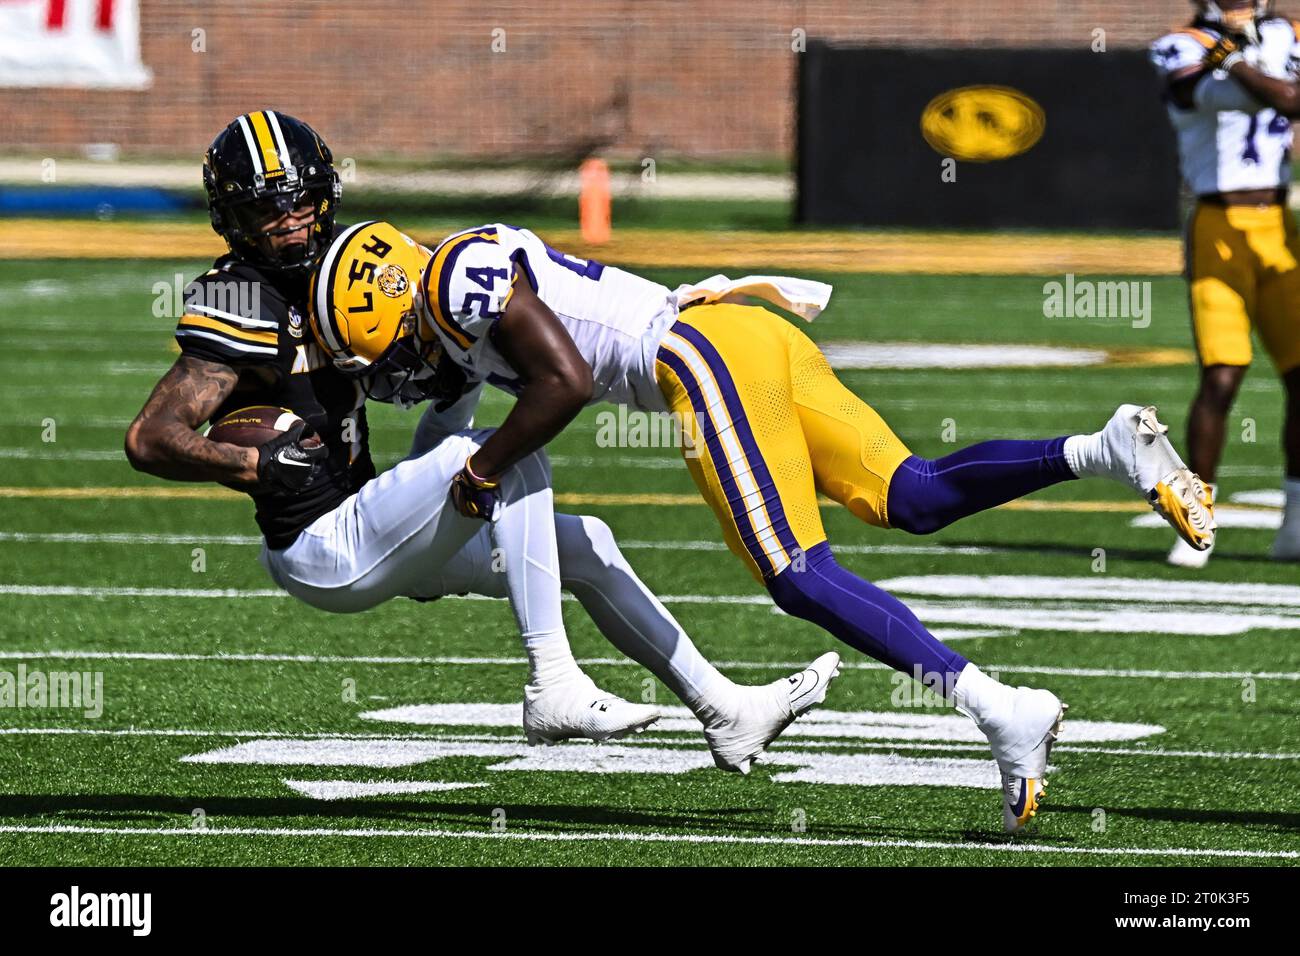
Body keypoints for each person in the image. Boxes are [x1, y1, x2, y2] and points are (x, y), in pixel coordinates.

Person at [309, 219, 1219, 831]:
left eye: (376, 352)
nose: (387, 374)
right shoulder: (456, 284)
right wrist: (434, 516)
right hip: (743, 335)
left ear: (387, 305)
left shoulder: (459, 284)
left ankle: (1000, 710)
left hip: (698, 357)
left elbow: (564, 386)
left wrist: (479, 470)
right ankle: (1101, 452)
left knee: (794, 573)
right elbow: (445, 433)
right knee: (909, 494)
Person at [125, 113, 836, 767]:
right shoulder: (240, 297)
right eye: (263, 208)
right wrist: (247, 459)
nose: (286, 223)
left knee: (586, 544)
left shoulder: (342, 265)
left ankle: (724, 710)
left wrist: (451, 379)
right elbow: (150, 437)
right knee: (499, 455)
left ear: (325, 195)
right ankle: (551, 681)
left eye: (297, 200)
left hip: (369, 515)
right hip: (321, 548)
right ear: (232, 220)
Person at [1151, 0, 1300, 566]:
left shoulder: (1286, 32)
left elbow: (1291, 100)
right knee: (1221, 376)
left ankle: (1296, 524)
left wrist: (1236, 59)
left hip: (1278, 226)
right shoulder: (1181, 44)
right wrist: (1236, 55)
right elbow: (1190, 94)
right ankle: (1197, 517)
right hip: (1218, 225)